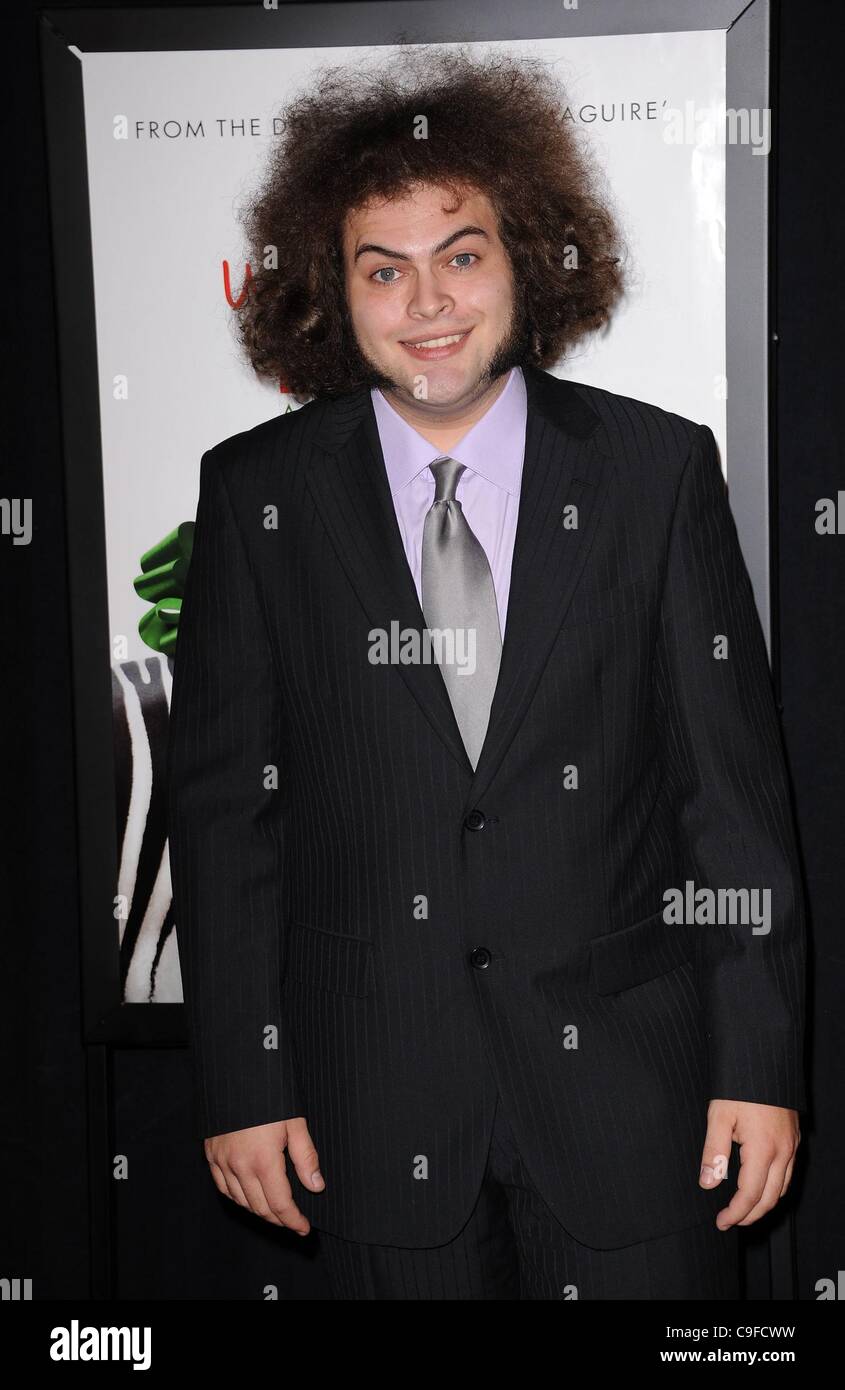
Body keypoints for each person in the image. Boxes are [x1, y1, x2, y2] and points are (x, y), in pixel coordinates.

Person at [166, 47, 807, 1300]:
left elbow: (728, 803)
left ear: (524, 258)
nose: (428, 302)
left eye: (460, 254)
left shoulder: (654, 473)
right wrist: (245, 1079)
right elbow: (224, 816)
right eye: (381, 268)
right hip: (366, 1101)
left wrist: (759, 1060)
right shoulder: (257, 497)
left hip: (638, 1099)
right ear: (328, 290)